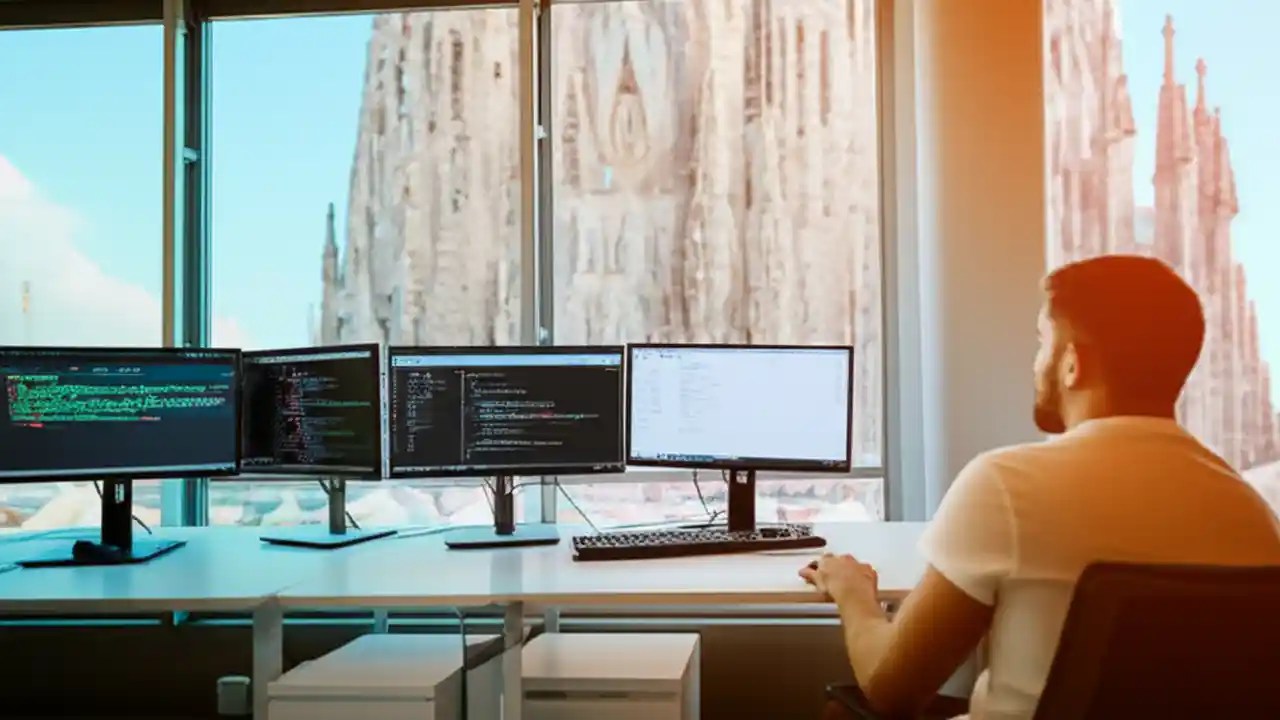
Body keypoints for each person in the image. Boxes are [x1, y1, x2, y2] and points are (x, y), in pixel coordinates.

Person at [801, 255, 1280, 719]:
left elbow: (891, 689)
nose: (1035, 364)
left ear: (1072, 364)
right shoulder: (1252, 513)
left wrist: (853, 592)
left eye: (1041, 342)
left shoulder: (1008, 485)